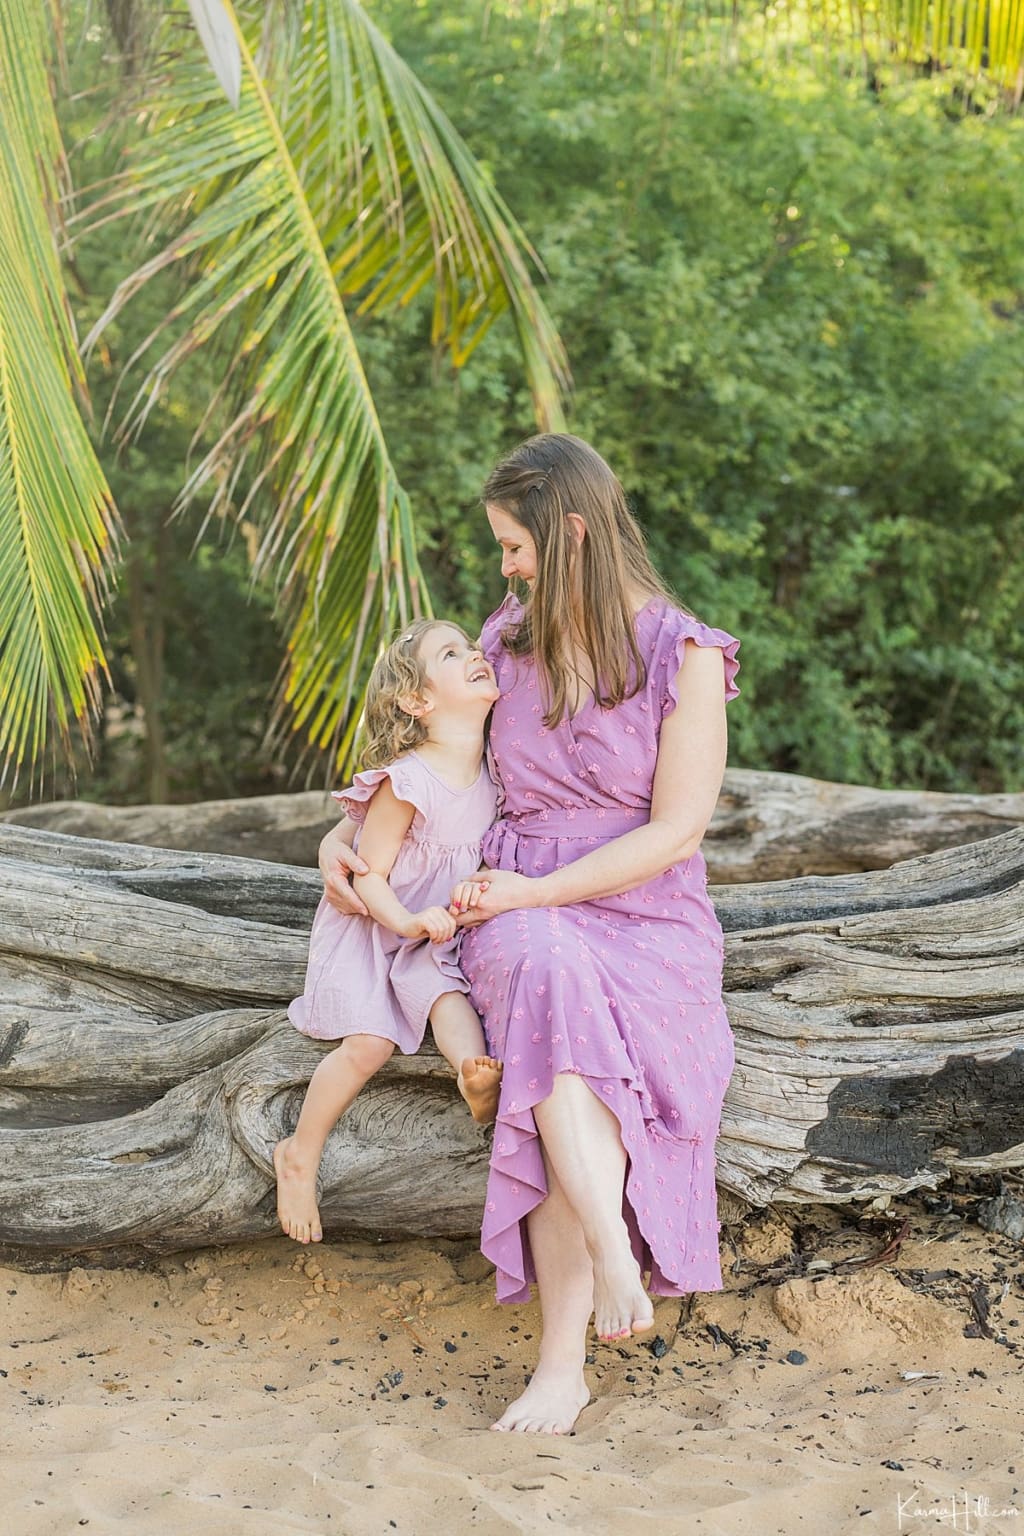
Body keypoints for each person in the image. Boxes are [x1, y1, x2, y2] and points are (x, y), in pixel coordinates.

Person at [318, 434, 740, 1435]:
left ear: (574, 532)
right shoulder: (506, 638)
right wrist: (344, 839)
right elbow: (432, 754)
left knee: (566, 1046)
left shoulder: (684, 652)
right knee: (545, 982)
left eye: (515, 545)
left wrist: (535, 896)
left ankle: (571, 1344)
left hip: (644, 912)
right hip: (507, 897)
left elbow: (676, 831)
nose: (503, 567)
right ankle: (595, 1282)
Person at [274, 618, 504, 1246]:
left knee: (446, 993)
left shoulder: (494, 769)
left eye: (472, 646)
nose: (475, 655)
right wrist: (404, 920)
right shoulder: (408, 781)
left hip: (435, 930)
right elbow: (369, 875)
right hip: (376, 927)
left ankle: (472, 1074)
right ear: (417, 701)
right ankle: (299, 1152)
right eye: (451, 653)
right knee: (368, 1044)